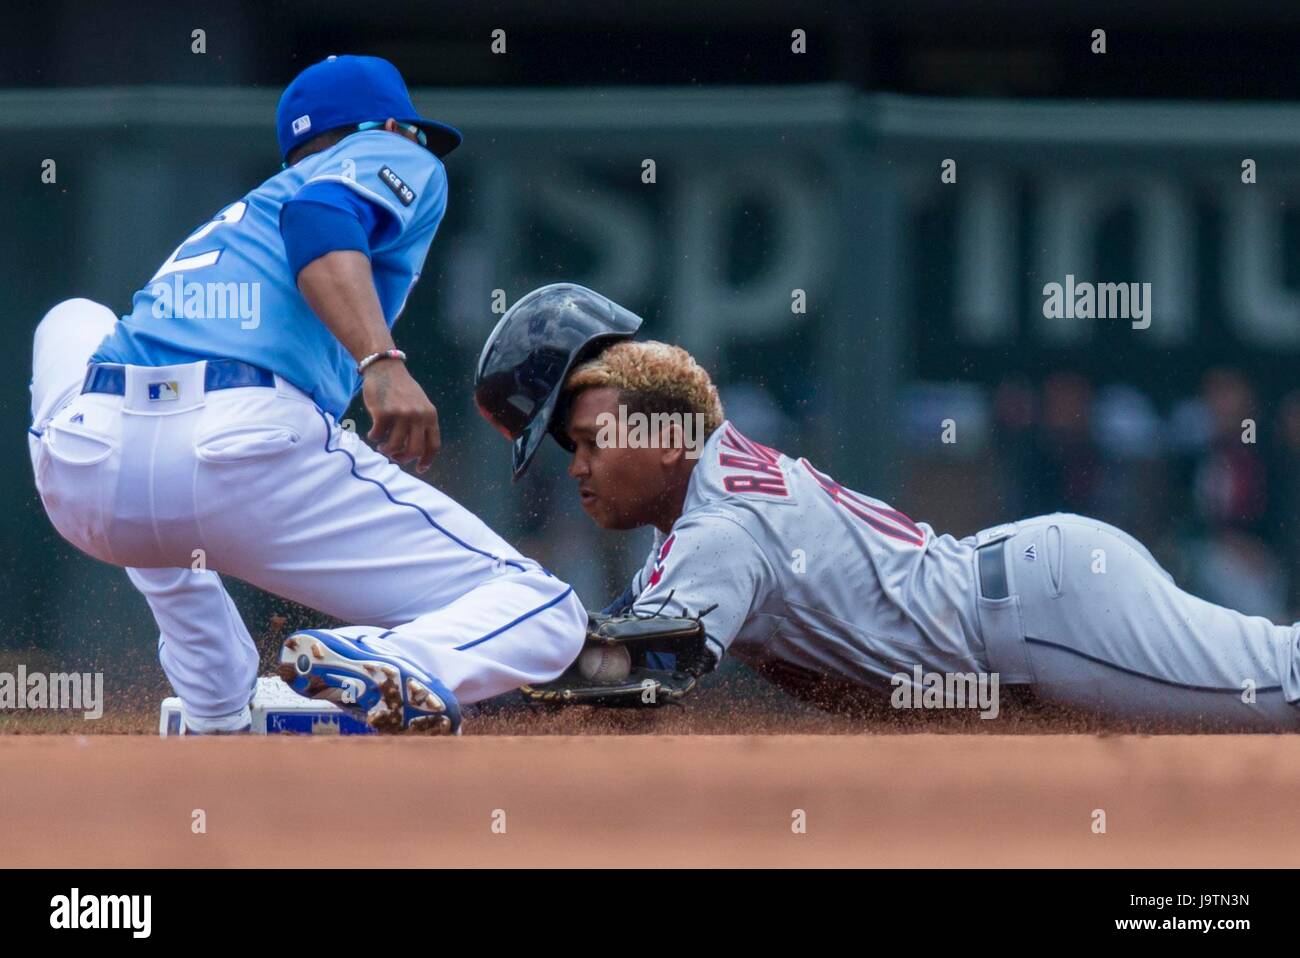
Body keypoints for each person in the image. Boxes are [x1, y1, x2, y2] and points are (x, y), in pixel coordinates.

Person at [27, 56, 585, 735]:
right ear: (382, 126)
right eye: (413, 135)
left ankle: (215, 708)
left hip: (90, 469)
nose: (419, 151)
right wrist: (380, 362)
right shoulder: (384, 151)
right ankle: (387, 659)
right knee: (543, 609)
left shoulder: (232, 223)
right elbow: (321, 215)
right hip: (243, 448)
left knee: (72, 317)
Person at [475, 284, 1300, 730]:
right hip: (1024, 614)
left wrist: (462, 696)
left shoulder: (721, 531)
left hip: (1043, 619)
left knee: (1283, 689)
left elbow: (643, 669)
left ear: (661, 432)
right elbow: (619, 632)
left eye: (588, 439)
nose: (578, 468)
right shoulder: (709, 482)